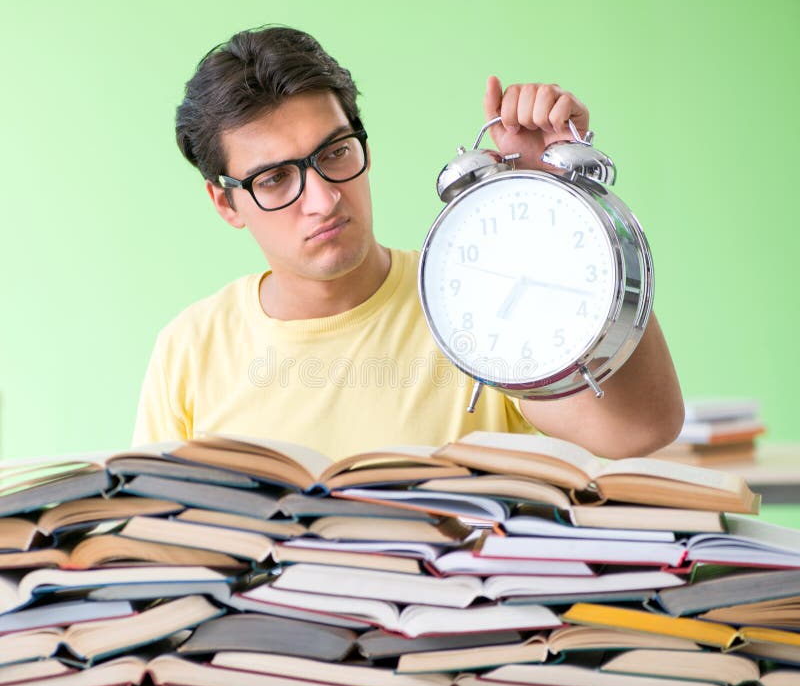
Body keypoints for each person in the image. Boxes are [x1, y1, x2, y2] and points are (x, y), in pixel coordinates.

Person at [133, 25, 683, 460]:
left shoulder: (478, 304)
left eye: (336, 152)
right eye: (276, 179)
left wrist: (563, 199)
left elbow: (642, 430)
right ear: (226, 202)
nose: (323, 199)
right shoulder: (190, 349)